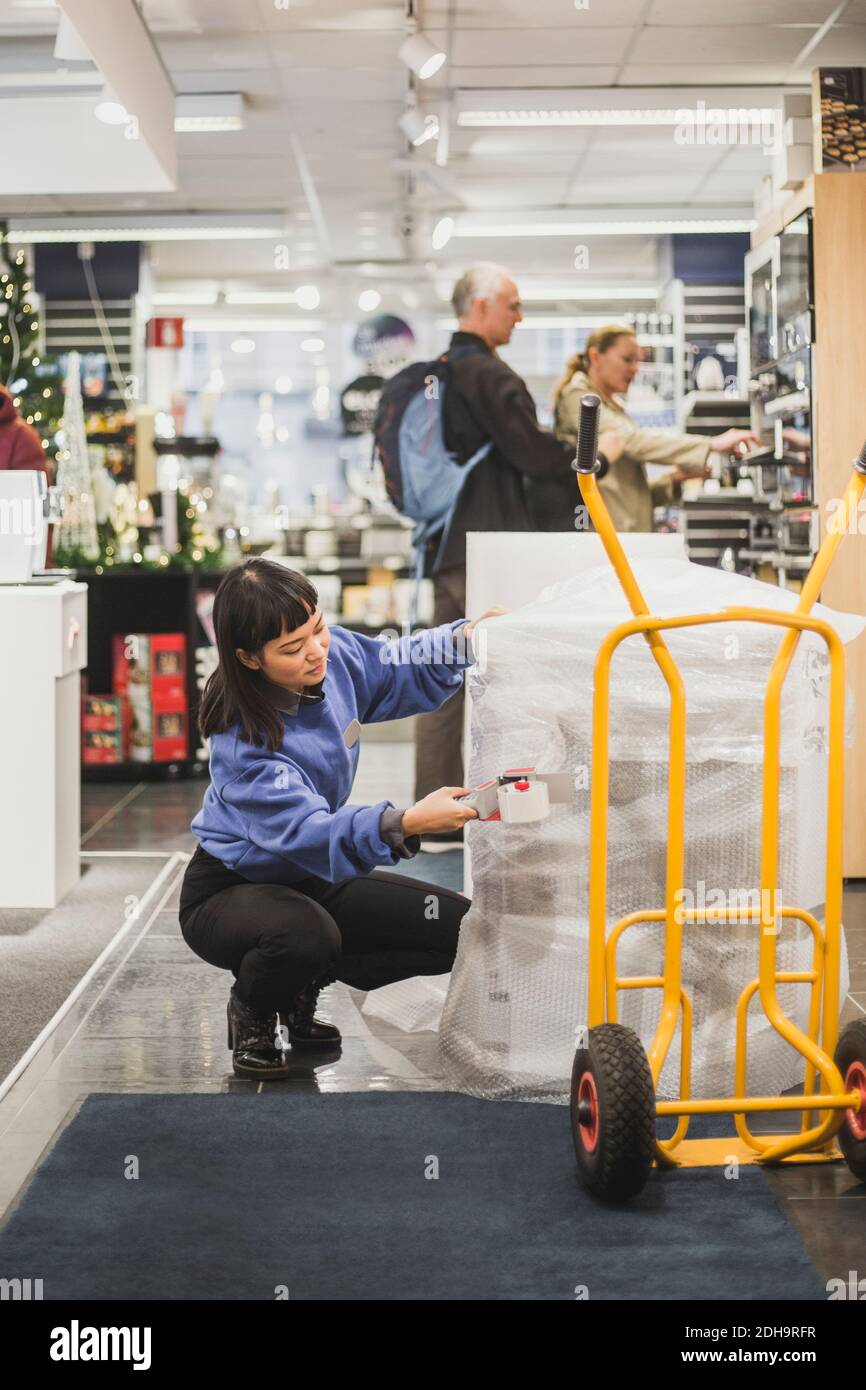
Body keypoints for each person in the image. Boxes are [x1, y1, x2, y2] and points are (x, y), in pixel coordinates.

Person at [179, 556, 504, 1081]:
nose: (316, 652)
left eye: (318, 628)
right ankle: (256, 1009)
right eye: (291, 648)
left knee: (459, 929)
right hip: (230, 890)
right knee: (304, 935)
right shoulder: (243, 744)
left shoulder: (332, 658)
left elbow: (400, 660)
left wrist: (467, 638)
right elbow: (311, 833)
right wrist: (408, 822)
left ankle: (303, 983)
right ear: (248, 658)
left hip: (313, 878)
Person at [414, 264, 623, 836]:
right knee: (511, 681)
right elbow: (531, 455)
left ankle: (433, 817)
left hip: (445, 544)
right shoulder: (490, 376)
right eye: (512, 305)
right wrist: (593, 455)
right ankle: (518, 817)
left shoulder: (440, 374)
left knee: (440, 676)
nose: (520, 316)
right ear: (480, 308)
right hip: (491, 548)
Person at [553, 324, 760, 533]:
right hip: (608, 542)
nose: (635, 369)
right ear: (596, 356)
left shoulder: (613, 407)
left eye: (638, 361)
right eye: (627, 359)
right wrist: (711, 444)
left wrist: (672, 480)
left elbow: (632, 496)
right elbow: (633, 442)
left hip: (626, 538)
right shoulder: (579, 399)